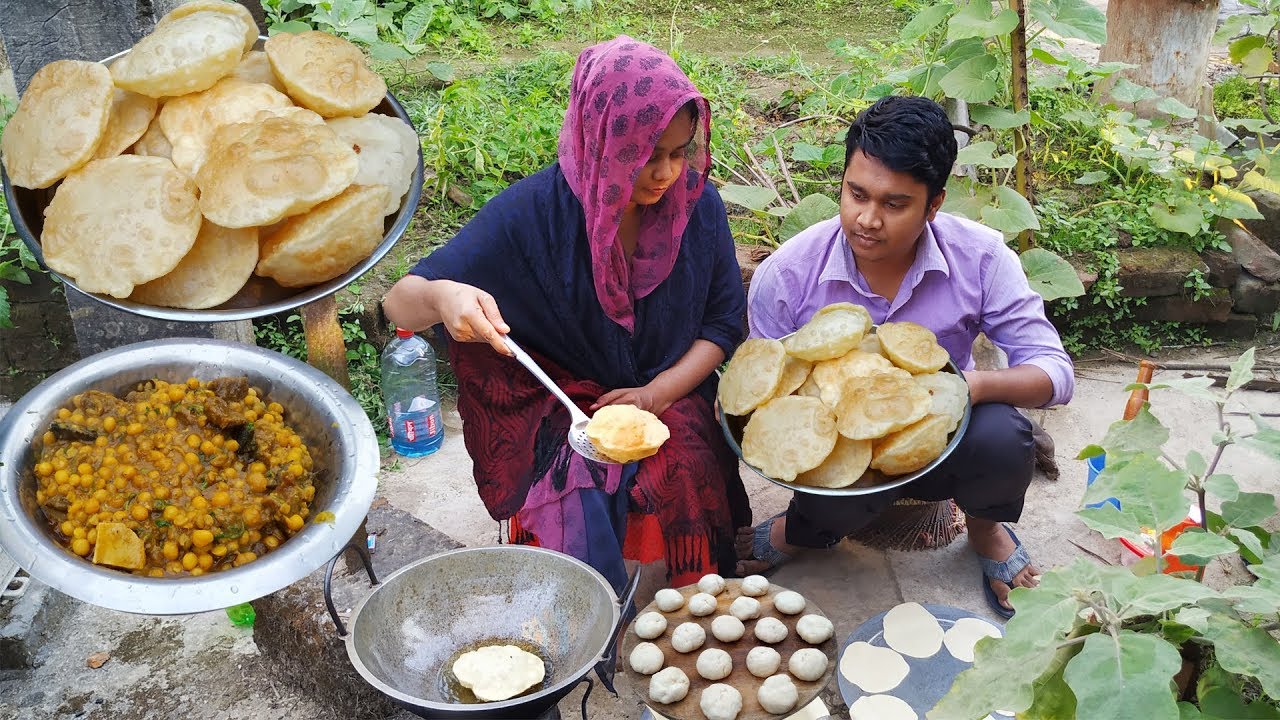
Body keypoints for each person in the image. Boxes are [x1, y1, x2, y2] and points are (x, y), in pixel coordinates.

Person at [382, 36, 752, 593]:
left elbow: (723, 326)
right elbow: (397, 300)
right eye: (646, 155)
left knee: (685, 463)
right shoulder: (532, 214)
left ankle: (694, 604)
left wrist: (656, 395)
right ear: (599, 137)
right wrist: (443, 299)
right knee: (578, 478)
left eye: (679, 153)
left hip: (666, 389)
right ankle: (580, 606)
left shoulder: (697, 209)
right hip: (560, 397)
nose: (667, 174)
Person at [737, 95, 1074, 618]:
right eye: (856, 194)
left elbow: (1055, 372)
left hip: (945, 442)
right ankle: (803, 527)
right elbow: (769, 402)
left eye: (894, 204)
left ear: (933, 204)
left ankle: (985, 531)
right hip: (845, 455)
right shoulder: (787, 275)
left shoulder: (982, 258)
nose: (867, 219)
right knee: (829, 473)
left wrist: (972, 386)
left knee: (1005, 437)